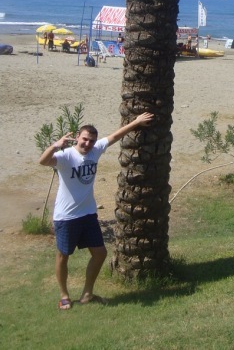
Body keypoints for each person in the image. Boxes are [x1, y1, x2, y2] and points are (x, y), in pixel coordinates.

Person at [39, 111, 154, 310]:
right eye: (84, 139)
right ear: (78, 137)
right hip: (66, 217)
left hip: (88, 214)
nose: (88, 144)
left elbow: (115, 136)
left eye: (91, 141)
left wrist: (136, 122)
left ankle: (87, 294)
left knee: (100, 253)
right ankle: (64, 295)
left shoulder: (95, 150)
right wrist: (56, 145)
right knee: (63, 256)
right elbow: (43, 161)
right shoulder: (66, 156)